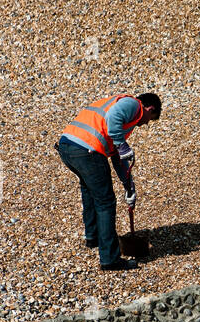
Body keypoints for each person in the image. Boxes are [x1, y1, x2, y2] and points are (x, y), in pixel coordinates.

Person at [56, 92, 162, 271]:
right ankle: (110, 259)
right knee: (105, 202)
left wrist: (128, 186)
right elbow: (114, 121)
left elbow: (117, 158)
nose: (145, 124)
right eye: (150, 119)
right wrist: (122, 145)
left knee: (90, 190)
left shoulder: (115, 117)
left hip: (68, 148)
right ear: (150, 109)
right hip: (87, 149)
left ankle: (94, 238)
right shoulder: (133, 105)